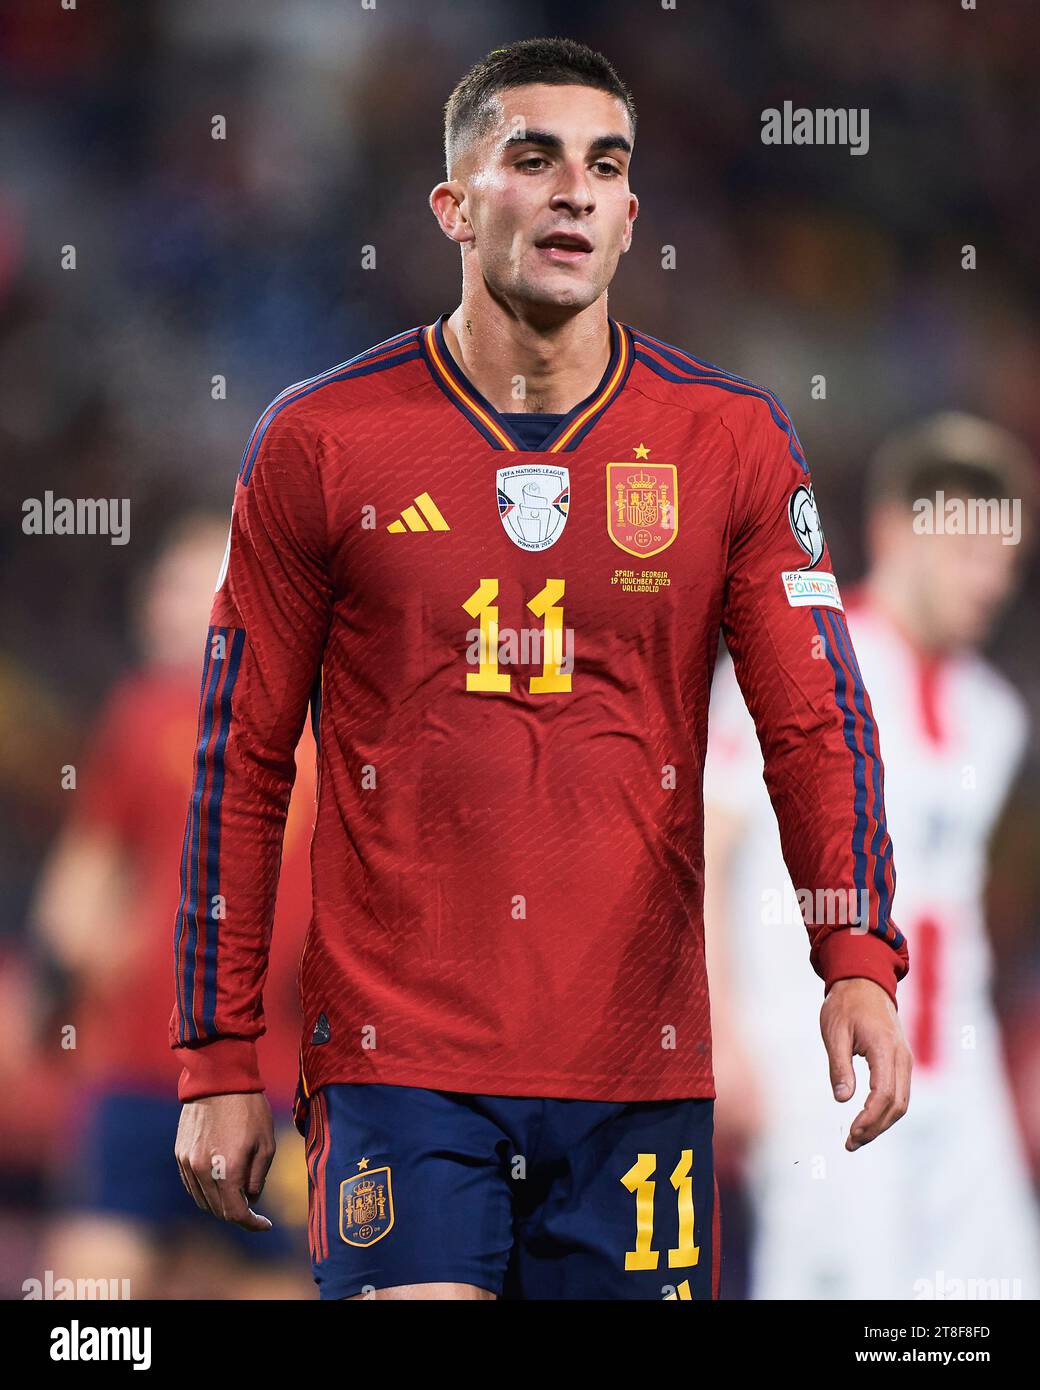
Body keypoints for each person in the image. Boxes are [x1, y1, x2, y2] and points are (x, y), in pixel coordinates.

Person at [172, 37, 911, 1302]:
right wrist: (216, 1052)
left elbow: (812, 722)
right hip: (398, 1057)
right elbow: (240, 758)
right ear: (453, 208)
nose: (573, 188)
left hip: (636, 1062)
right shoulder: (319, 442)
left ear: (630, 217)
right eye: (533, 157)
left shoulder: (725, 441)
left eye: (603, 165)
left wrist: (853, 954)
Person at [704, 413, 1040, 1299]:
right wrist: (718, 1028)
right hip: (824, 1070)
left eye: (1007, 557)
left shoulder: (995, 716)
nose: (993, 580)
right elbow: (710, 839)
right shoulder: (801, 657)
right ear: (900, 528)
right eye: (971, 550)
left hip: (958, 1082)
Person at [35, 516, 315, 1299]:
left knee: (100, 1292)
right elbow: (80, 893)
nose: (167, 603)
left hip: (244, 1080)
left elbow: (76, 899)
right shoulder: (154, 712)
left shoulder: (311, 729)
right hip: (180, 1074)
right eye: (169, 583)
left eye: (193, 584)